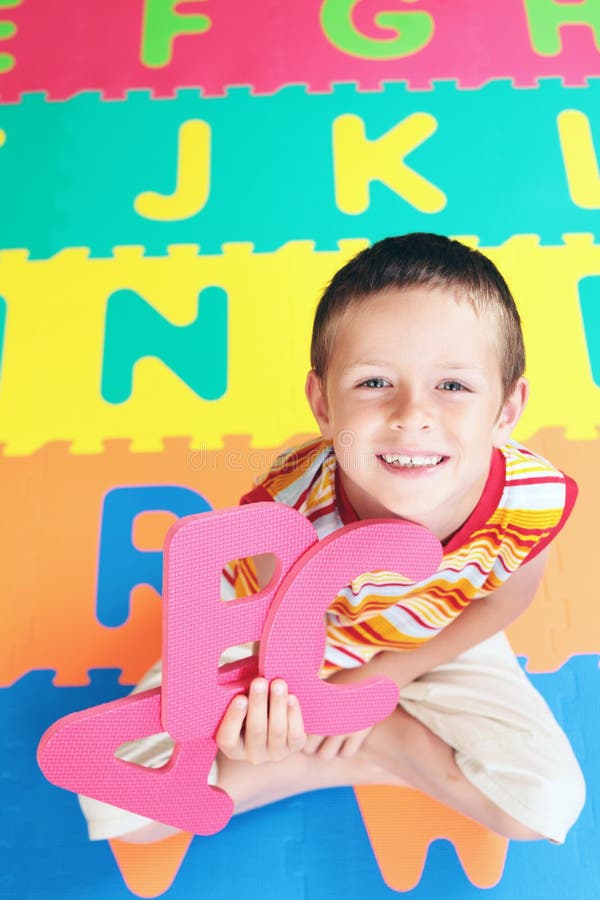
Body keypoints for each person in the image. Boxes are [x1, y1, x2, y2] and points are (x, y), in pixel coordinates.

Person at [79, 233, 585, 845]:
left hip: (434, 630)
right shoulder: (287, 513)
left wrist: (389, 677)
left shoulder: (531, 499)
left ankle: (370, 738)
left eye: (453, 387)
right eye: (374, 383)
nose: (411, 415)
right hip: (285, 635)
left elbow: (503, 602)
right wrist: (279, 718)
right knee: (120, 812)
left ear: (507, 408)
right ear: (323, 403)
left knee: (541, 811)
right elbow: (280, 641)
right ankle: (367, 747)